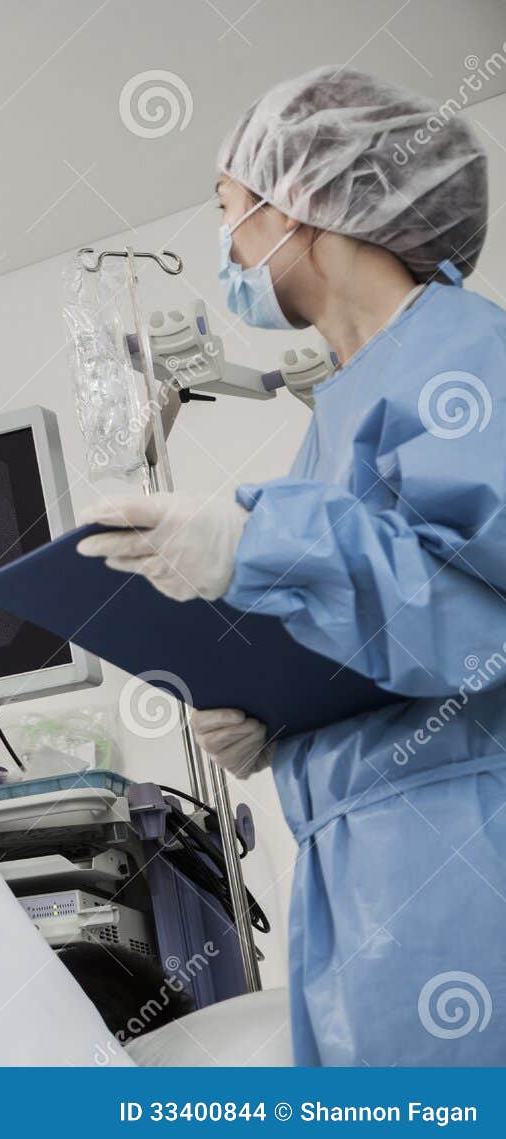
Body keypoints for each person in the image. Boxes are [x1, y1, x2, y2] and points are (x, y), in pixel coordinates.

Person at [77, 68, 504, 1066]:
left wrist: (252, 544)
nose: (226, 245)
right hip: (356, 870)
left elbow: (483, 623)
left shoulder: (463, 358)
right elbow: (385, 622)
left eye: (230, 210)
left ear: (308, 200)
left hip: (464, 853)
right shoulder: (342, 412)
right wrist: (278, 717)